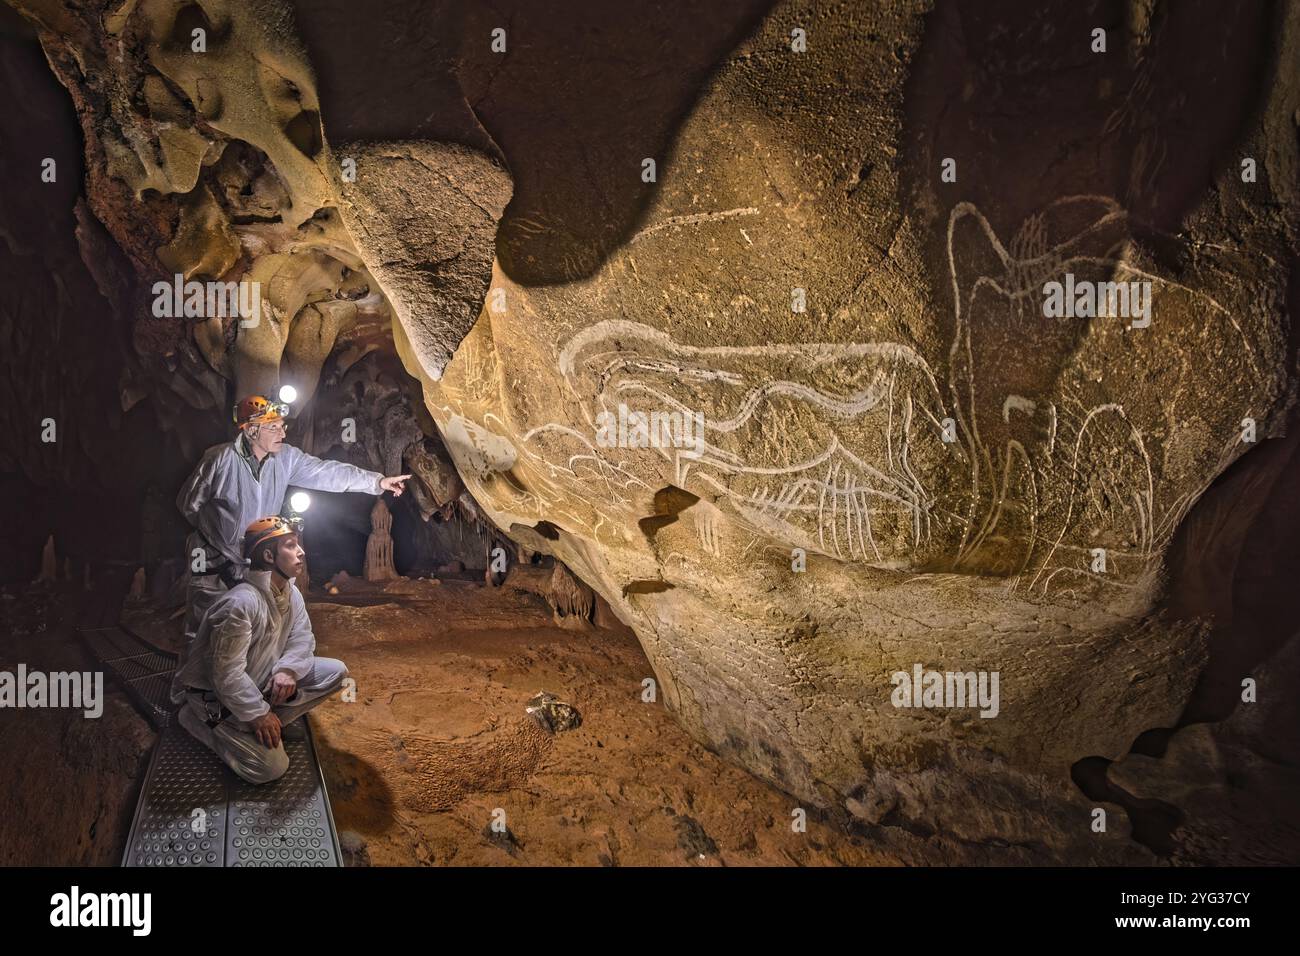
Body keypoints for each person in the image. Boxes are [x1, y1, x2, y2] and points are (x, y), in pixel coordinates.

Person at [171, 394, 409, 702]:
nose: (283, 433)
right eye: (274, 427)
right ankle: (184, 697)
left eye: (282, 426)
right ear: (251, 430)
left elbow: (327, 472)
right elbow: (188, 505)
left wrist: (376, 482)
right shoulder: (219, 460)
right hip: (214, 560)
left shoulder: (285, 458)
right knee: (201, 630)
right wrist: (217, 535)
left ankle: (242, 696)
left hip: (255, 560)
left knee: (258, 628)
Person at [176, 516, 345, 784]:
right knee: (271, 768)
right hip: (213, 697)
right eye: (290, 546)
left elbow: (302, 637)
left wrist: (288, 671)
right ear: (268, 555)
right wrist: (257, 713)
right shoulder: (242, 603)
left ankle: (266, 720)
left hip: (257, 677)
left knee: (336, 672)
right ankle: (198, 722)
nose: (301, 552)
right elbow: (225, 675)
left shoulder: (291, 593)